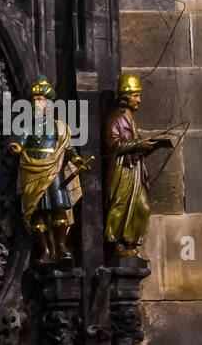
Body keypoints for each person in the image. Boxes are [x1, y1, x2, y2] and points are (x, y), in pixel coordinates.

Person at [11, 76, 90, 262]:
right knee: (36, 213)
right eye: (34, 101)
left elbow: (68, 149)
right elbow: (21, 142)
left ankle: (61, 246)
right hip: (33, 171)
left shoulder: (59, 127)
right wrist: (17, 147)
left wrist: (77, 160)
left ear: (48, 104)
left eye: (39, 100)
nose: (36, 104)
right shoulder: (28, 127)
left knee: (58, 210)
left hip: (53, 171)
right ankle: (45, 249)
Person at [104, 73, 174, 254]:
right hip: (123, 170)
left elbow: (135, 143)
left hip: (135, 168)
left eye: (139, 95)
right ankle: (117, 244)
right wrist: (137, 144)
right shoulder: (116, 119)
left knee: (142, 206)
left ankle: (131, 243)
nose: (139, 100)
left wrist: (151, 145)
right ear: (125, 97)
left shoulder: (131, 120)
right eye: (136, 96)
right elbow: (113, 144)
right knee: (120, 204)